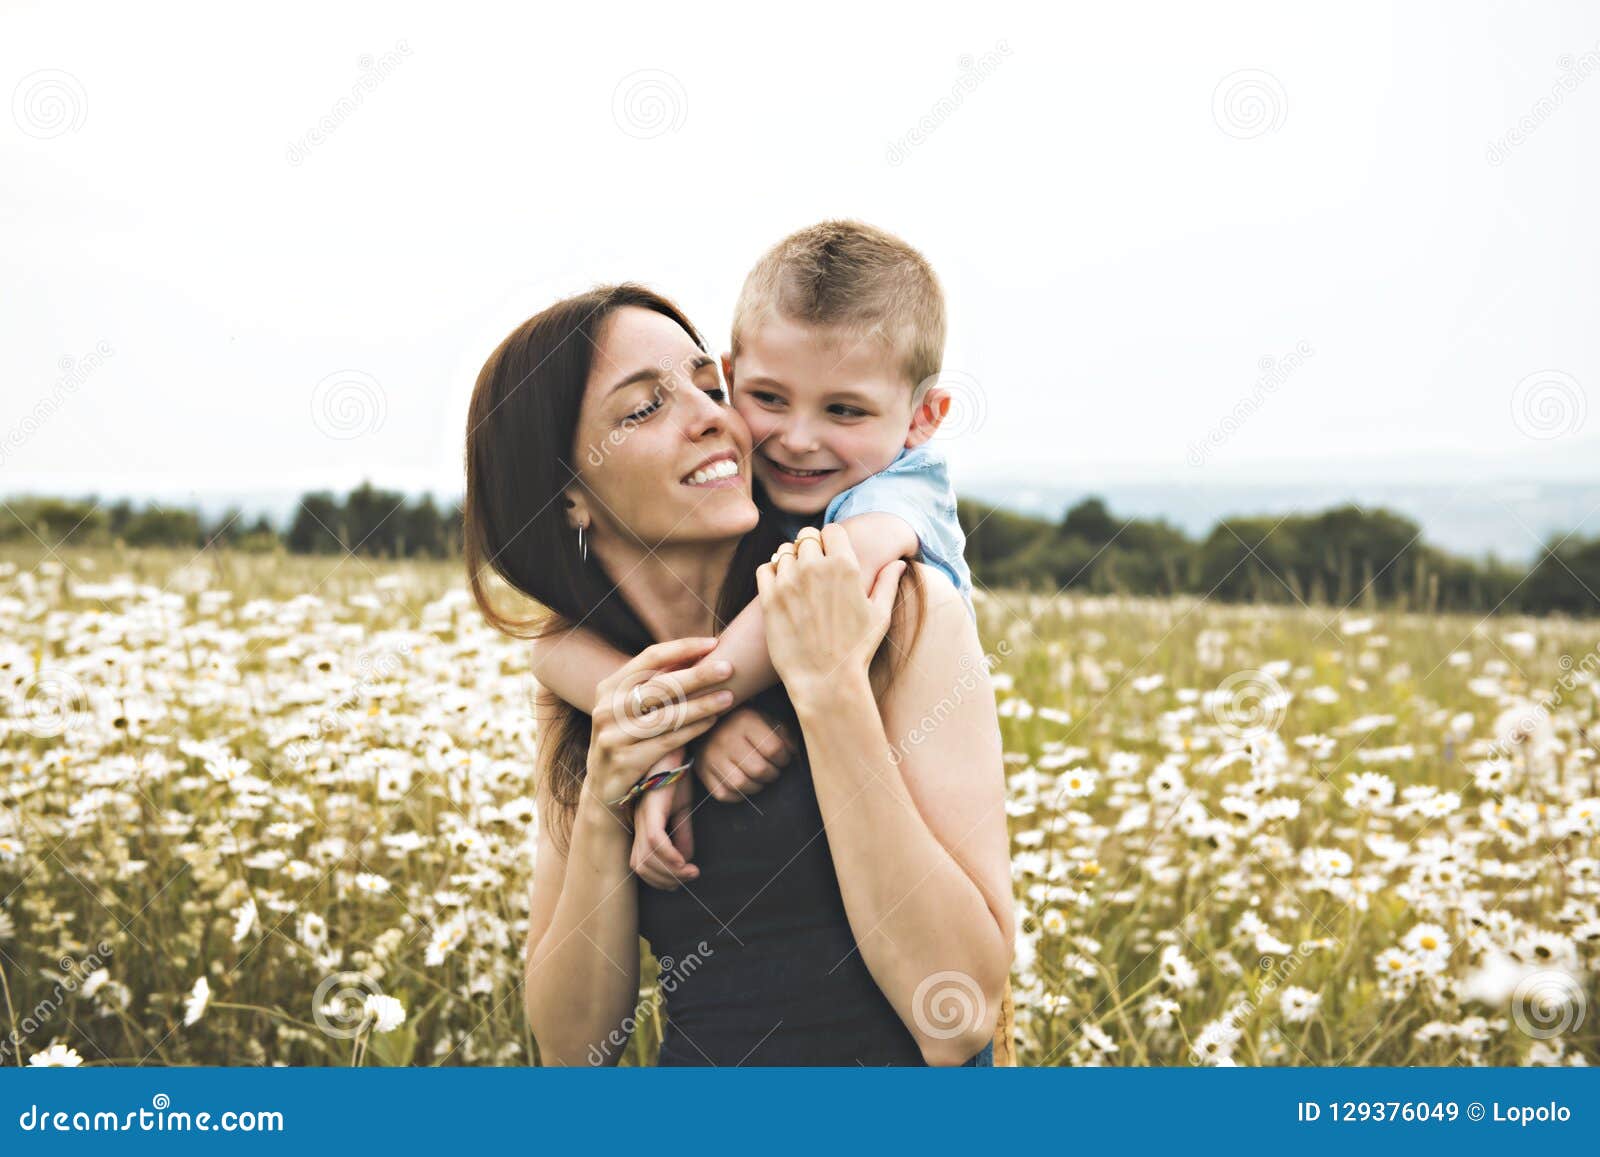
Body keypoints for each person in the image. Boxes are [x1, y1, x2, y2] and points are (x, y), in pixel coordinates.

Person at [465, 283, 1012, 1064]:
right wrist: (608, 800)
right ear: (569, 497)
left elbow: (958, 1018)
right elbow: (572, 1052)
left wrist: (828, 692)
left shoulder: (894, 609)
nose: (712, 417)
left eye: (710, 386)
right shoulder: (593, 690)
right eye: (644, 408)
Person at [530, 221, 974, 890]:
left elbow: (815, 583)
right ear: (731, 377)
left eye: (844, 411)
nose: (797, 438)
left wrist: (684, 716)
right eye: (768, 399)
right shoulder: (751, 491)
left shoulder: (900, 493)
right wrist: (676, 737)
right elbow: (552, 649)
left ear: (922, 418)